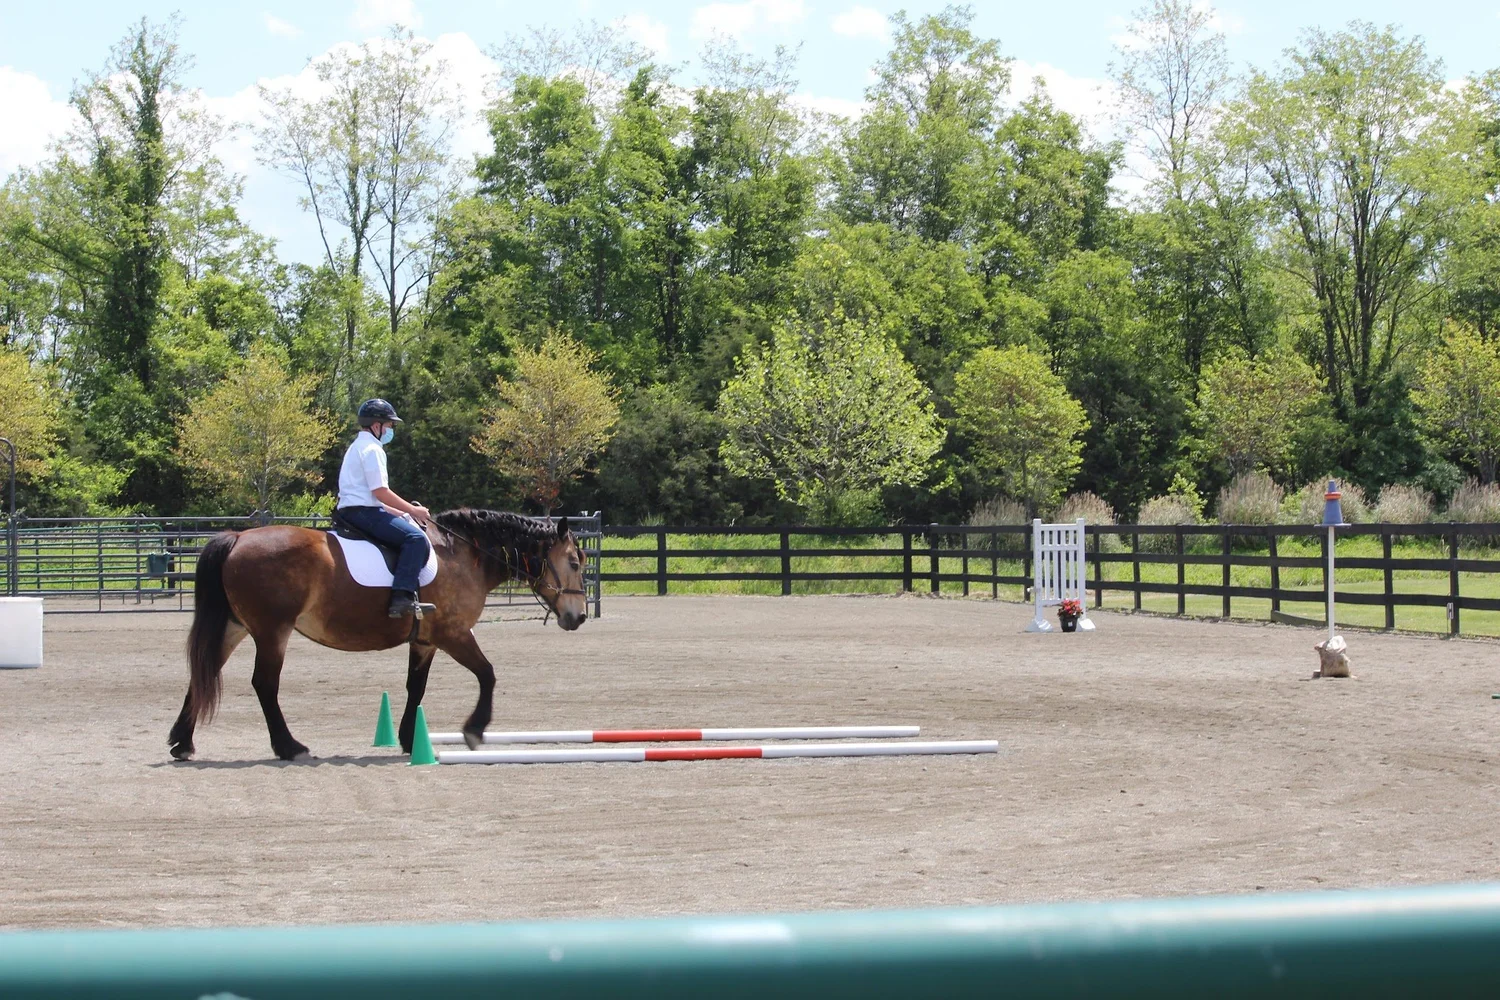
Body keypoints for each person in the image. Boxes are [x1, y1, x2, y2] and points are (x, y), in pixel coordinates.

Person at [336, 399, 432, 618]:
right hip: (363, 513)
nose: (390, 430)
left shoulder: (356, 447)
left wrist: (401, 512)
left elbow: (369, 495)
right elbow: (380, 491)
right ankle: (402, 597)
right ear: (377, 425)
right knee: (415, 539)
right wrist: (415, 511)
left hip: (354, 510)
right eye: (389, 425)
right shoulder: (373, 449)